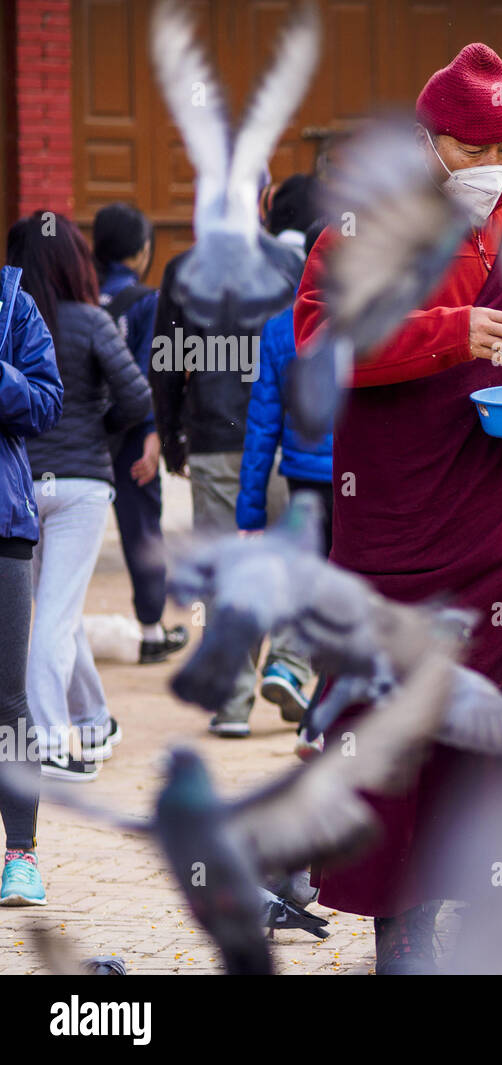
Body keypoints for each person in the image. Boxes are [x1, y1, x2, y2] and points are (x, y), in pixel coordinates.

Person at [295, 42, 502, 974]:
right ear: (429, 143)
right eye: (473, 149)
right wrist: (449, 333)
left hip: (499, 531)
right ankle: (402, 927)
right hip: (397, 532)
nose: (492, 170)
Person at [152, 187, 313, 736]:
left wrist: (173, 440)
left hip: (217, 441)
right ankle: (289, 667)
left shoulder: (181, 270)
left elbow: (167, 364)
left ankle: (232, 702)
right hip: (287, 444)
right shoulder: (291, 263)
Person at [8, 213, 153, 782]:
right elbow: (138, 399)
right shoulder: (90, 321)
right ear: (74, 260)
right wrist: (100, 427)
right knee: (57, 612)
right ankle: (49, 741)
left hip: (24, 486)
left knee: (56, 608)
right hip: (82, 488)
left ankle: (93, 719)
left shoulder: (12, 323)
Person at [92, 203, 189, 663]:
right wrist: (155, 434)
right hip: (132, 436)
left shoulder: (83, 298)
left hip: (84, 437)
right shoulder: (148, 302)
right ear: (141, 252)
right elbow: (153, 371)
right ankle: (151, 631)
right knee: (142, 531)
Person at [0, 258, 62, 902]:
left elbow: (45, 403)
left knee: (6, 702)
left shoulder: (12, 302)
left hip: (3, 528)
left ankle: (21, 854)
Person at [238, 218, 334, 551]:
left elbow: (262, 427)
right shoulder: (378, 322)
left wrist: (250, 515)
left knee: (309, 582)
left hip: (304, 478)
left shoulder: (280, 328)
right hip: (366, 477)